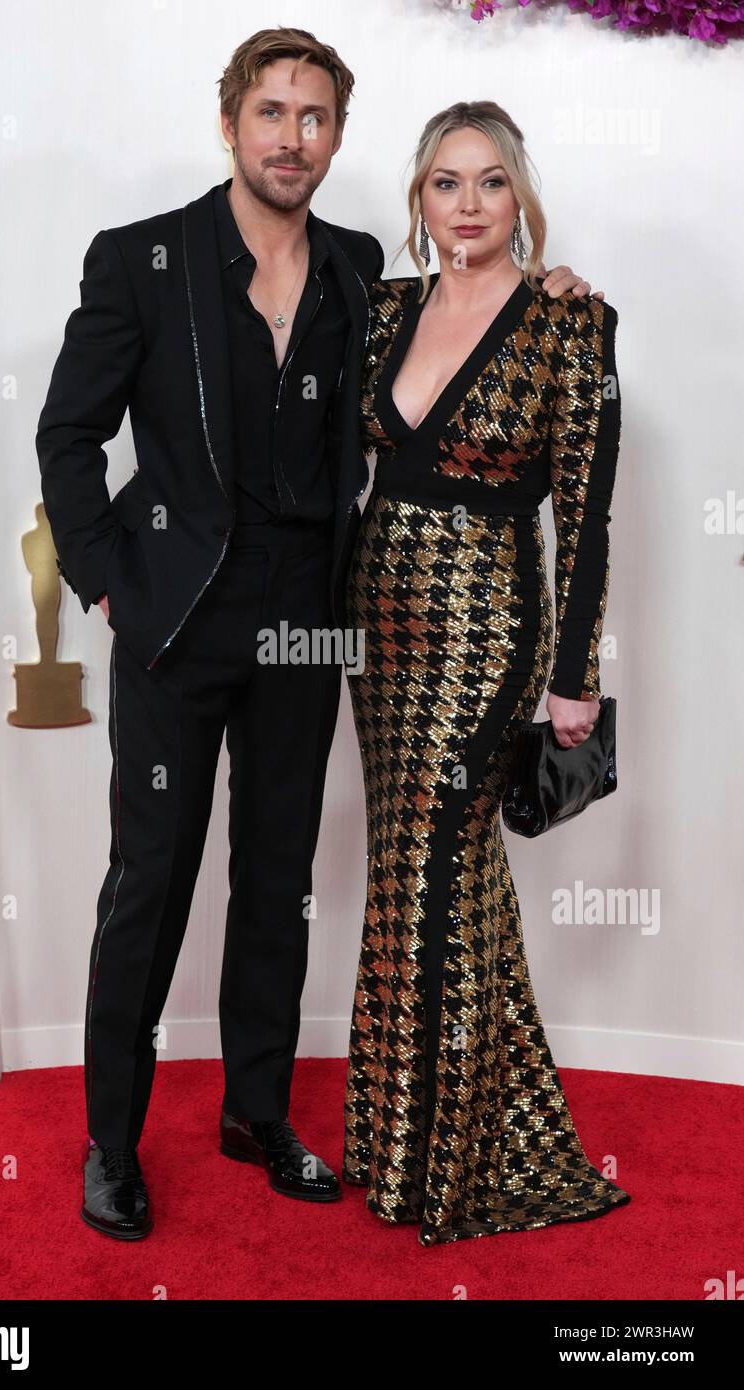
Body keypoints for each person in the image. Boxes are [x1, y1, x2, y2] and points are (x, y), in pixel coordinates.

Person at [36, 28, 600, 1241]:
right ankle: (111, 1143)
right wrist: (107, 589)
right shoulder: (141, 259)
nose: (292, 136)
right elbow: (66, 439)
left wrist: (554, 281)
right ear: (230, 119)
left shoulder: (360, 273)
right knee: (151, 879)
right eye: (271, 111)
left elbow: (473, 306)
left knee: (278, 876)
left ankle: (254, 1111)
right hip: (176, 622)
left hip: (312, 623)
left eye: (315, 117)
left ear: (337, 136)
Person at [341, 100, 630, 1246]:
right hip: (377, 627)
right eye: (444, 183)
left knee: (437, 870)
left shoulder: (572, 323)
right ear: (419, 199)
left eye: (489, 182)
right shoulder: (384, 310)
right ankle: (404, 1139)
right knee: (412, 872)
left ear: (521, 194)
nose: (466, 205)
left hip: (488, 629)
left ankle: (452, 1162)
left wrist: (575, 677)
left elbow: (587, 520)